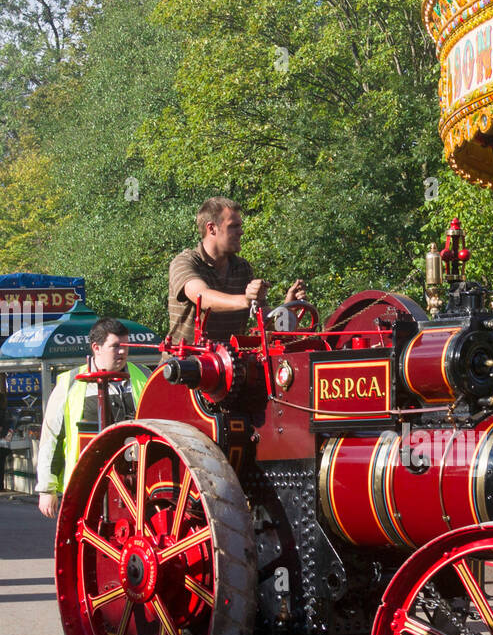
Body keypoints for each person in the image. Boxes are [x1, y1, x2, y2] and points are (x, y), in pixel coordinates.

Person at [36, 318, 149, 518]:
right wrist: (47, 489)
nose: (123, 352)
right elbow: (51, 438)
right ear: (96, 348)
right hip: (86, 487)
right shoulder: (70, 383)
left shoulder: (144, 376)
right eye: (116, 346)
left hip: (137, 485)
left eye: (125, 346)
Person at [167, 198, 306, 345]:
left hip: (230, 363)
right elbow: (203, 297)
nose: (241, 232)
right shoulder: (185, 262)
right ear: (212, 228)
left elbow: (269, 326)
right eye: (234, 226)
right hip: (184, 363)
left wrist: (287, 309)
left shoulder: (242, 268)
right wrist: (246, 300)